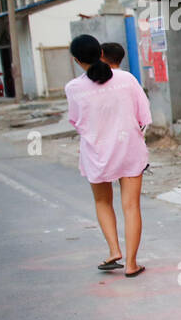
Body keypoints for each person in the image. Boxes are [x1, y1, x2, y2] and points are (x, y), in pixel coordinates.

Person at [65, 34, 151, 277]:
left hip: (96, 152)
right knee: (131, 206)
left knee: (103, 202)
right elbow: (144, 116)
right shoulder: (126, 79)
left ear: (76, 60)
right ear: (100, 53)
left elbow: (76, 122)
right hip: (129, 150)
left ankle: (114, 251)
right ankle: (132, 264)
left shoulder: (73, 88)